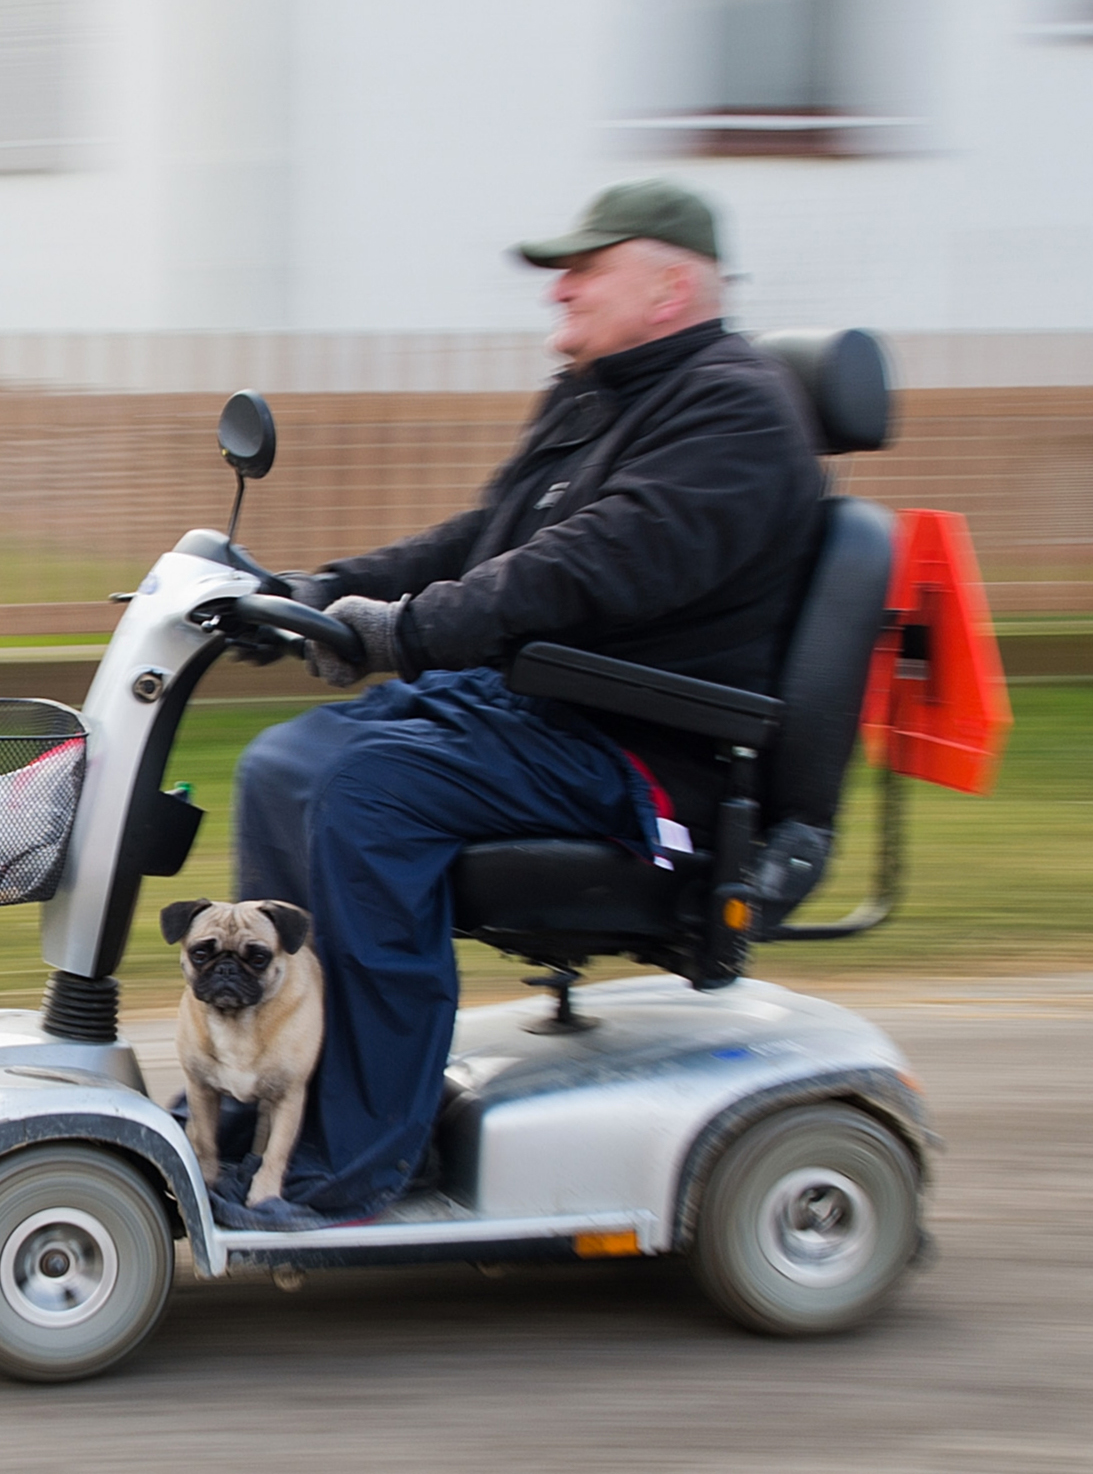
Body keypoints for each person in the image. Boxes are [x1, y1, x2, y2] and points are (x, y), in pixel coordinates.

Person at [220, 179, 825, 1229]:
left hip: (647, 749)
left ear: (669, 288)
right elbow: (483, 540)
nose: (560, 290)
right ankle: (265, 1110)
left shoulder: (733, 412)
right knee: (280, 767)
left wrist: (400, 633)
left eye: (587, 269)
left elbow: (585, 568)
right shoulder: (595, 394)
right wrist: (321, 591)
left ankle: (352, 1163)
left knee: (368, 793)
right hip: (529, 709)